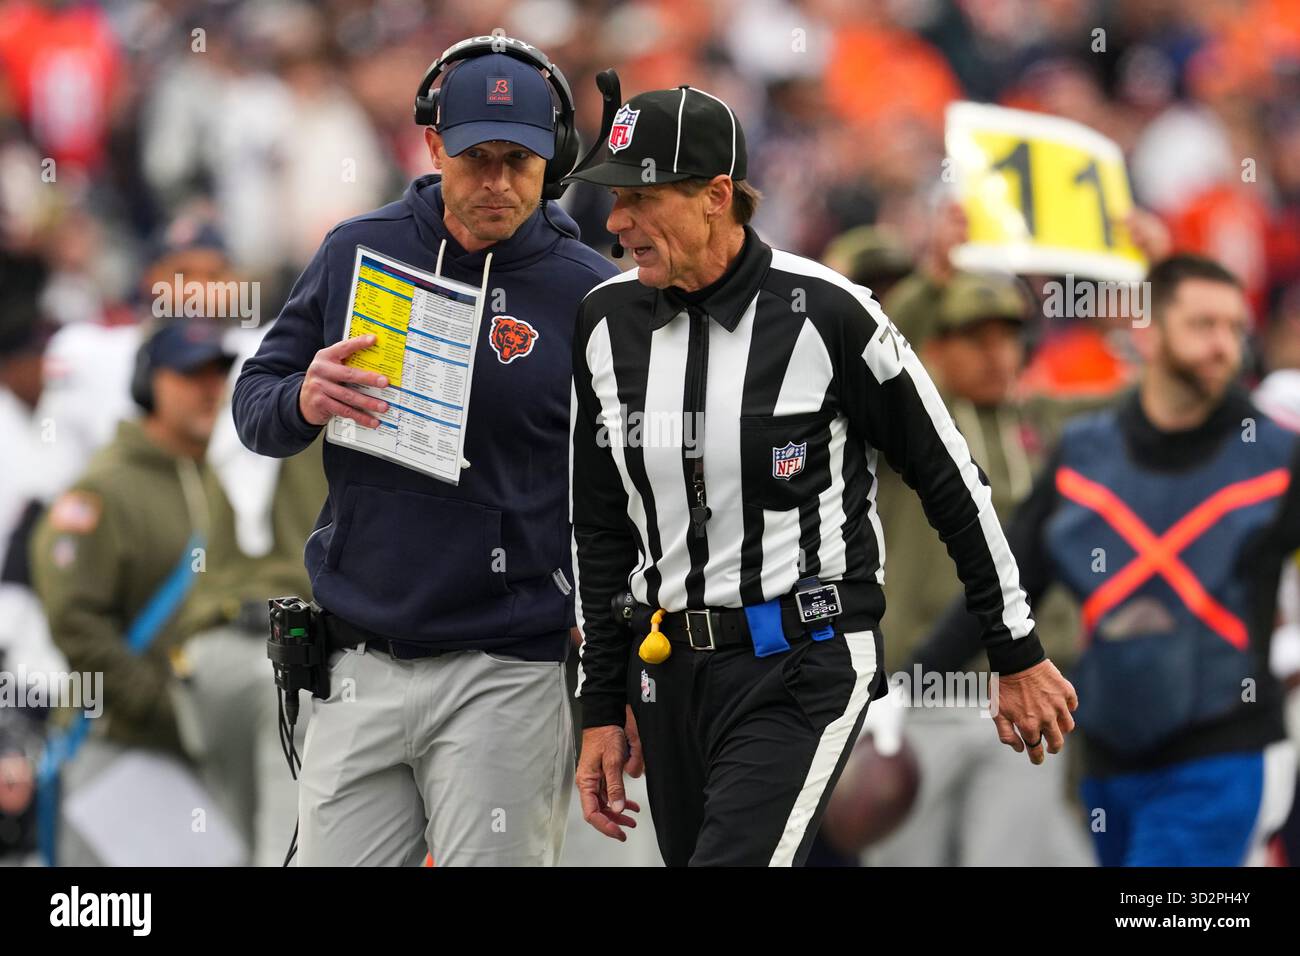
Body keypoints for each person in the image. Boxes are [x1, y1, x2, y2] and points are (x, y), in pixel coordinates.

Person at [565, 85, 1077, 867]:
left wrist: (1014, 648)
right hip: (668, 669)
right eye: (613, 198)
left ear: (715, 197)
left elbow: (951, 482)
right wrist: (601, 701)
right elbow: (599, 529)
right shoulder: (603, 322)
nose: (616, 221)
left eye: (640, 196)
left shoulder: (829, 312)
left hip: (803, 658)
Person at [231, 35, 618, 866]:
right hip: (360, 653)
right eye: (478, 157)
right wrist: (300, 399)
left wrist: (611, 675)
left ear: (555, 159)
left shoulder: (588, 293)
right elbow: (252, 404)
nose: (499, 183)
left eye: (522, 161)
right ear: (433, 143)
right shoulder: (356, 249)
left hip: (507, 666)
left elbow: (622, 489)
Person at [913, 254, 1300, 866]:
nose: (1223, 345)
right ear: (1147, 330)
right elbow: (1008, 585)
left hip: (1220, 755)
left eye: (1234, 328)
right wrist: (908, 684)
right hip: (1108, 763)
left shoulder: (1276, 456)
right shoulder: (1086, 451)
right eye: (1203, 325)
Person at [30, 318, 236, 865]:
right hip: (117, 746)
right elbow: (75, 621)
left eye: (218, 372)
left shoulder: (227, 476)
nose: (209, 387)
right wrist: (159, 705)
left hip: (199, 753)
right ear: (149, 384)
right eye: (190, 373)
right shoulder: (104, 488)